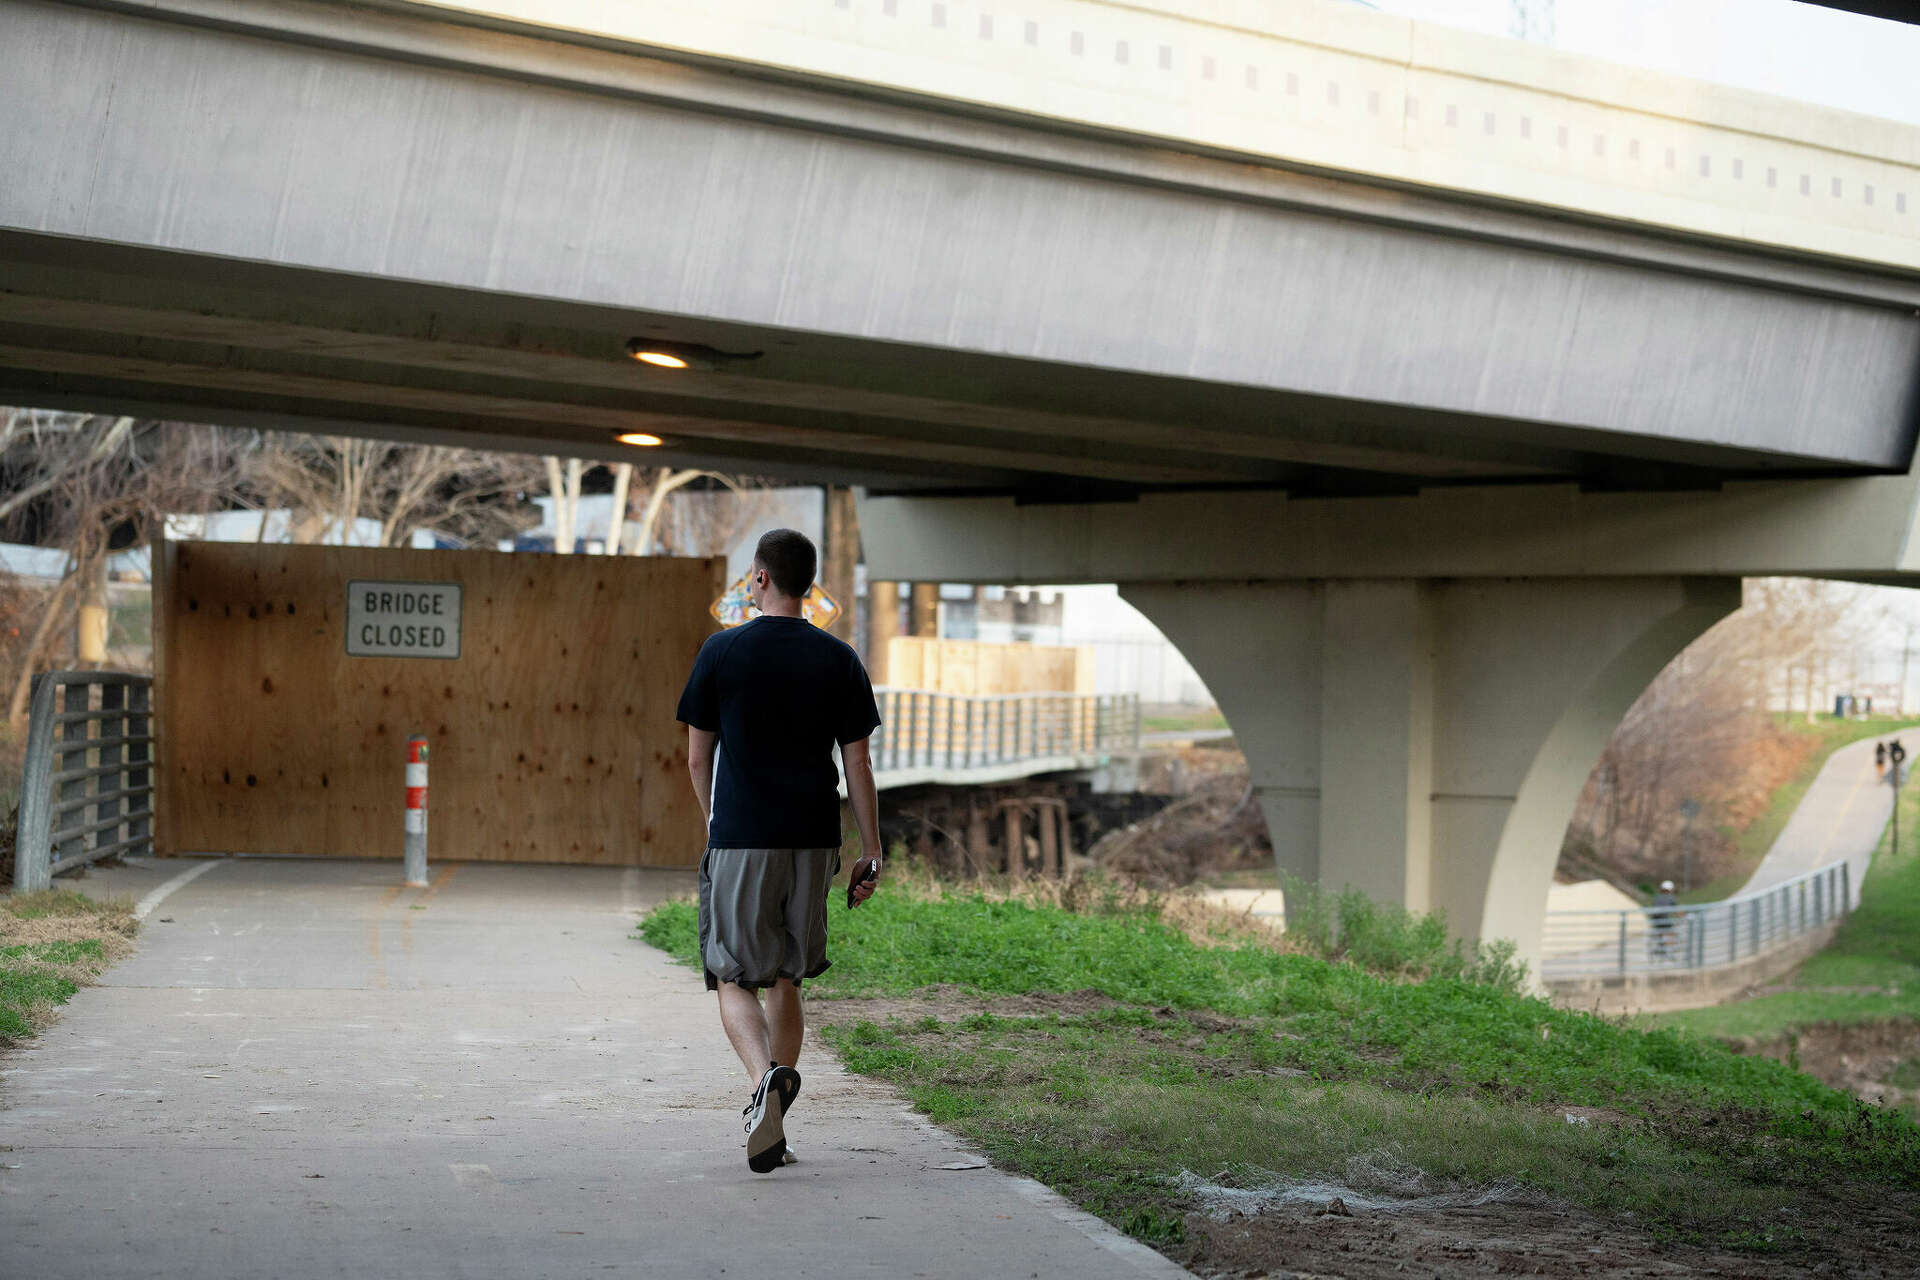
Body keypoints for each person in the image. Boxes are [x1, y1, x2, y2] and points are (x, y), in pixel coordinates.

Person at [675, 528, 883, 1173]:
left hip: (744, 835)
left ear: (760, 578)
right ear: (810, 584)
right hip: (814, 836)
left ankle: (763, 1079)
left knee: (733, 973)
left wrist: (715, 824)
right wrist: (872, 848)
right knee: (788, 974)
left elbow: (697, 758)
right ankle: (777, 1126)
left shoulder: (722, 651)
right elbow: (858, 764)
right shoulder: (840, 658)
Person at [1650, 880, 1679, 964]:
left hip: (1655, 920)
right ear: (1670, 889)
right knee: (1672, 934)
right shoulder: (1671, 897)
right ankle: (1669, 951)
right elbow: (1677, 910)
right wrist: (1683, 916)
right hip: (1664, 920)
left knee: (1661, 934)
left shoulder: (1657, 897)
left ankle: (1661, 947)